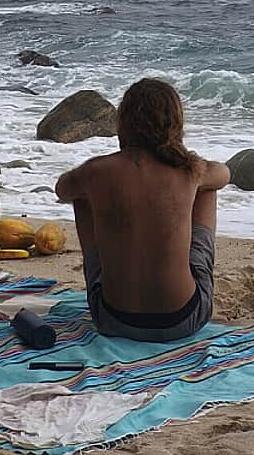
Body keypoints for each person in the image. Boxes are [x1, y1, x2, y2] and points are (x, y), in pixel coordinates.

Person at [56, 78, 230, 342]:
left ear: (123, 123)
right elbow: (225, 174)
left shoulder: (96, 171)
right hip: (183, 319)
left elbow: (62, 190)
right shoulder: (189, 169)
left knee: (82, 197)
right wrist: (190, 169)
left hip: (112, 319)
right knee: (207, 188)